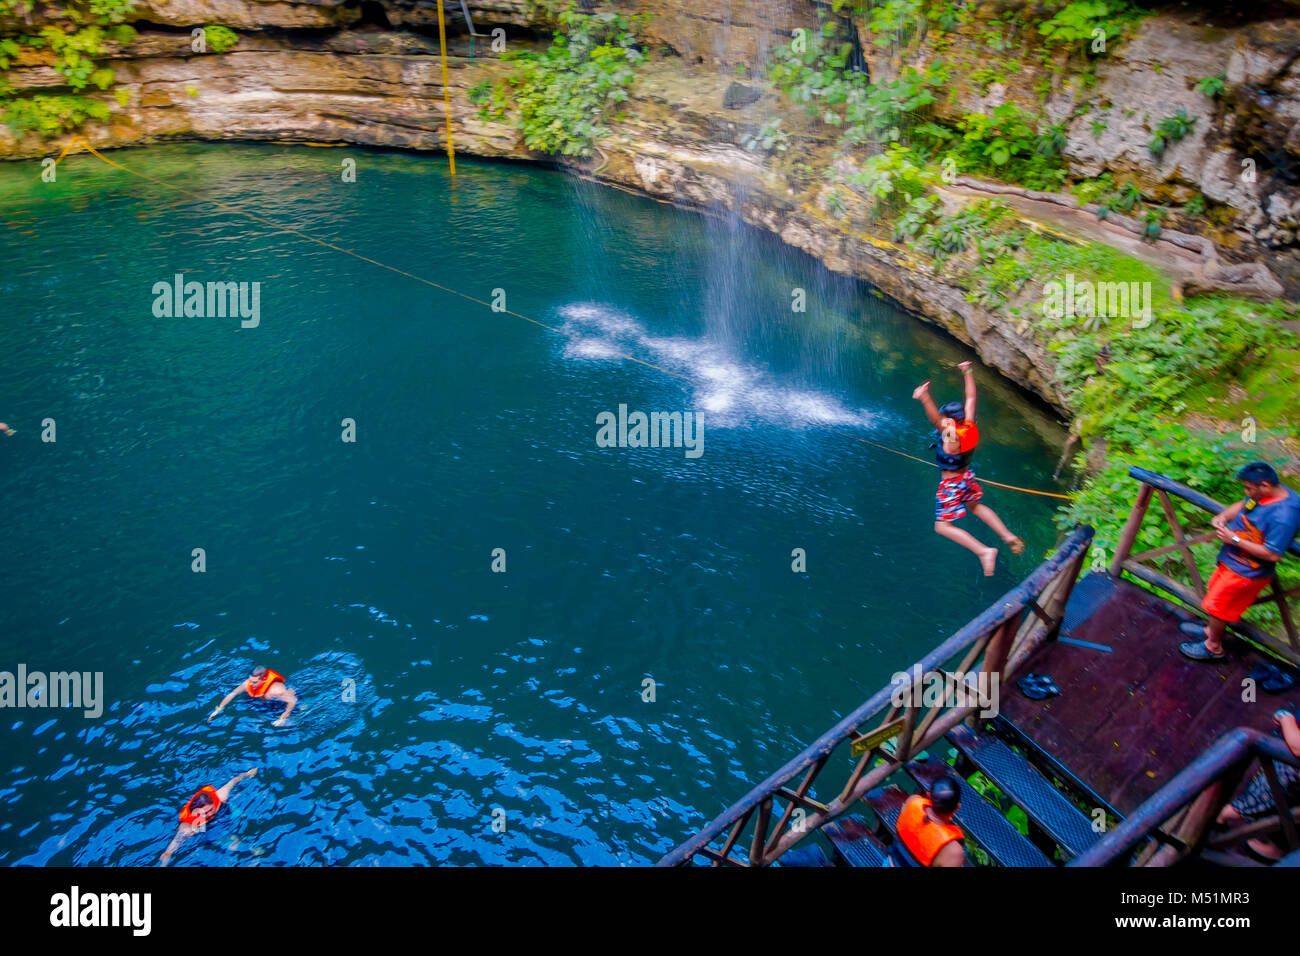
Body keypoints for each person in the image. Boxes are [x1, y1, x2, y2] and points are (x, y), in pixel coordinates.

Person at [1179, 462, 1300, 661]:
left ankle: (1213, 647)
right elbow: (1244, 504)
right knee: (1215, 600)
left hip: (1246, 572)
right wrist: (1224, 516)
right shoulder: (1265, 494)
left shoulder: (1285, 516)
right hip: (1232, 561)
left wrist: (1234, 539)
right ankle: (1211, 630)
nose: (1246, 492)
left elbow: (1272, 554)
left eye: (1249, 488)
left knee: (1219, 605)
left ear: (1265, 485)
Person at [913, 361, 1025, 576]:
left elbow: (935, 419)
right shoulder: (968, 425)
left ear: (949, 422)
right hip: (966, 478)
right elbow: (971, 398)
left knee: (942, 527)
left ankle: (983, 551)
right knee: (975, 506)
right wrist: (968, 372)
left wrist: (924, 397)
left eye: (945, 420)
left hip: (952, 484)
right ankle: (1007, 535)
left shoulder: (951, 439)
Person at [1215, 709, 1300, 862]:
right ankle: (1279, 848)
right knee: (1280, 813)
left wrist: (1285, 717)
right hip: (1286, 778)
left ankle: (1215, 832)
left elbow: (1297, 746)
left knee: (1247, 806)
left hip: (1288, 781)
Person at [159, 768, 258, 866]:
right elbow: (178, 839)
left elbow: (233, 782)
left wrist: (246, 774)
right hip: (206, 828)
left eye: (211, 810)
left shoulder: (219, 797)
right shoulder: (190, 825)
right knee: (227, 842)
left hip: (224, 812)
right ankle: (251, 849)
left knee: (240, 814)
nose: (210, 814)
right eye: (205, 813)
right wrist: (168, 853)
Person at [888, 775, 966, 867]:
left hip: (890, 862)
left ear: (929, 795)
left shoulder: (912, 801)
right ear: (957, 807)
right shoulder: (953, 851)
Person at [208, 665, 297, 727]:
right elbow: (233, 694)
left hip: (280, 701)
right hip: (263, 701)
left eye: (255, 682)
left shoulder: (276, 690)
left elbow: (293, 700)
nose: (251, 684)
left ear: (263, 680)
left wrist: (282, 718)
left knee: (290, 722)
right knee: (251, 705)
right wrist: (219, 708)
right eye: (250, 680)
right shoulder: (248, 683)